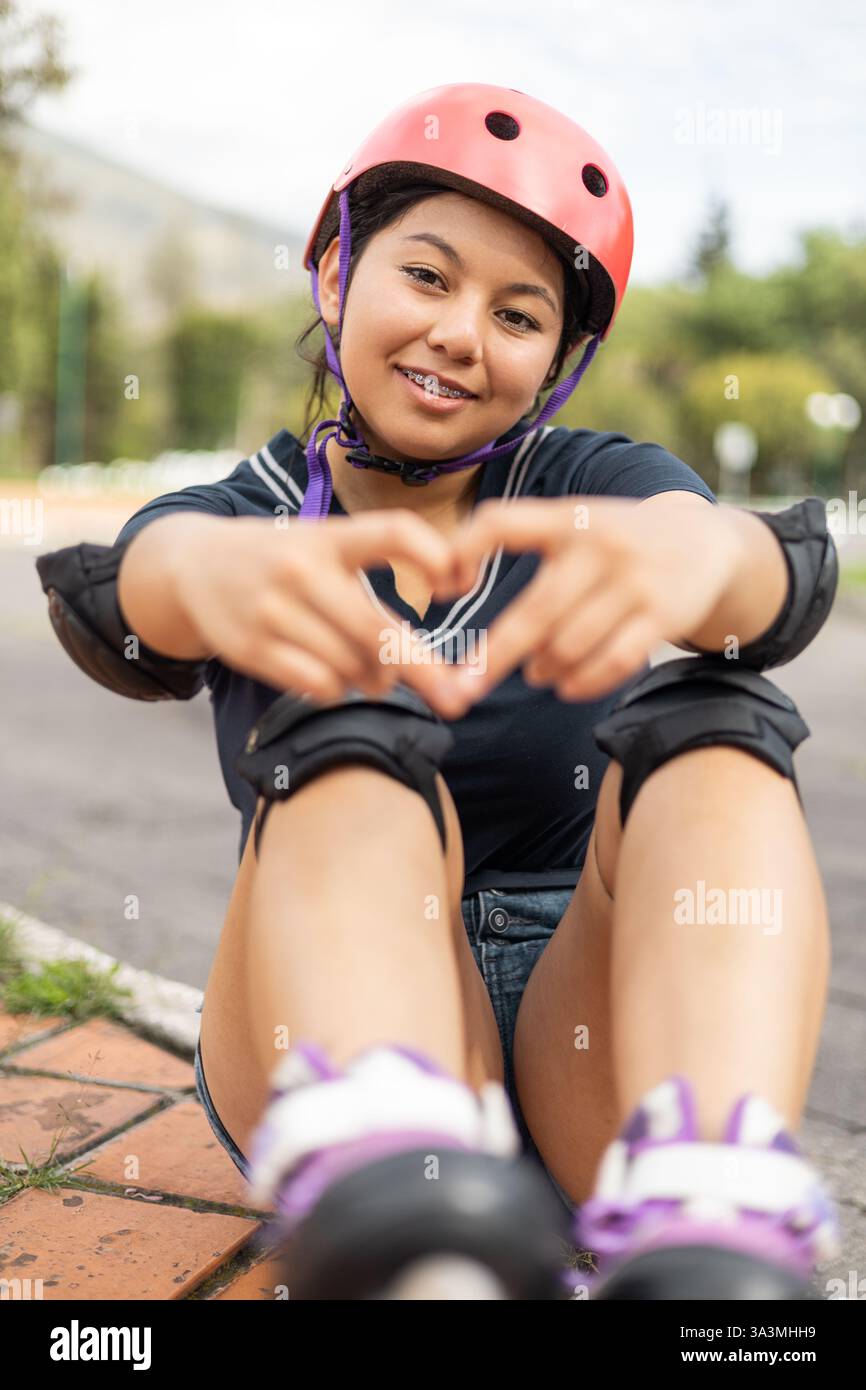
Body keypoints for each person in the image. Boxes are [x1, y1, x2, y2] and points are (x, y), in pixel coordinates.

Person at [36, 82, 840, 1300]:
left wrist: (709, 556)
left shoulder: (587, 477)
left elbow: (759, 574)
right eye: (426, 276)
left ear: (557, 362)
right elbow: (128, 594)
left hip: (589, 1039)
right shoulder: (246, 508)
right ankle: (408, 1230)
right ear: (332, 276)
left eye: (517, 314)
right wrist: (197, 571)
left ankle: (710, 1222)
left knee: (715, 724)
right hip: (332, 1021)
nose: (462, 333)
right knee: (349, 726)